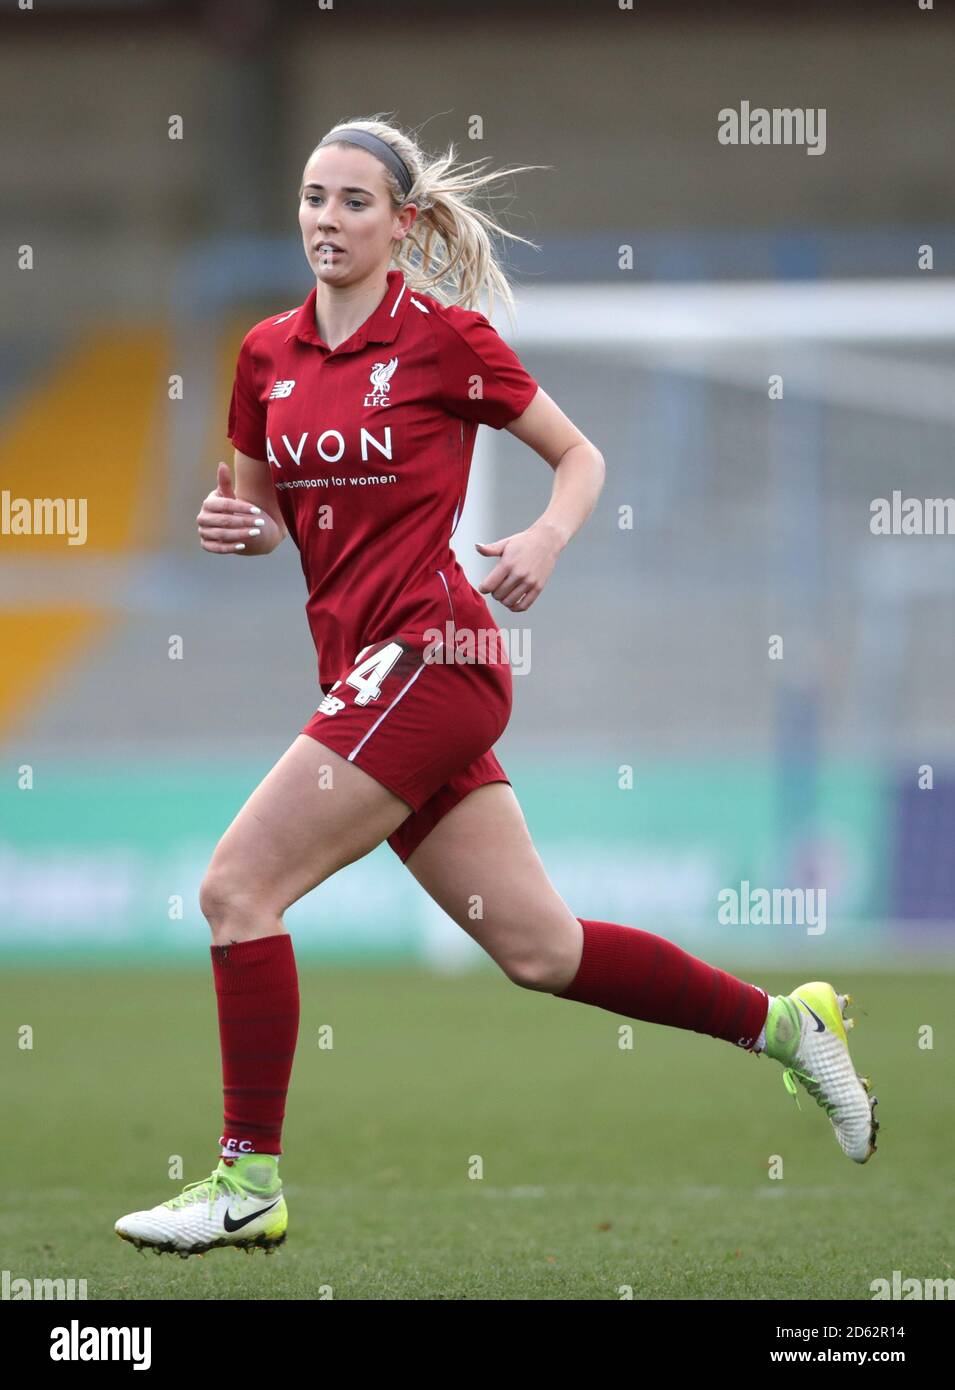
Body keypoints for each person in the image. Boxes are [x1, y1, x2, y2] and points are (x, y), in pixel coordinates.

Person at [115, 117, 878, 1259]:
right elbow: (263, 511)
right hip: (366, 673)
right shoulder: (265, 353)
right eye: (314, 198)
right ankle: (787, 1025)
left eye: (354, 202)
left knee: (235, 890)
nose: (327, 219)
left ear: (402, 222)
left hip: (436, 654)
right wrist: (239, 526)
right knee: (542, 950)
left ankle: (247, 1180)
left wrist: (544, 539)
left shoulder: (443, 340)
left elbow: (580, 457)